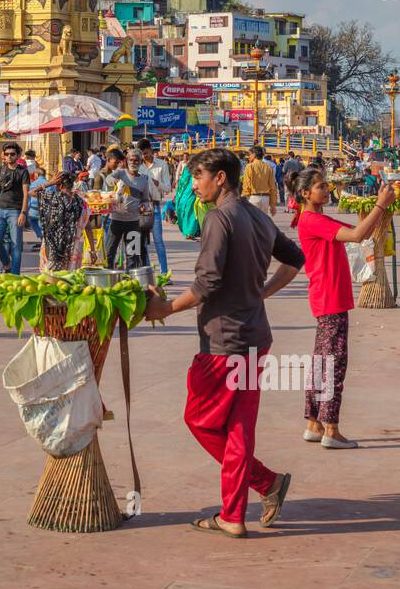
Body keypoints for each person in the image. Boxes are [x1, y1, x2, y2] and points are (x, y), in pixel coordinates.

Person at [145, 148, 305, 537]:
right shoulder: (258, 216)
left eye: (198, 176)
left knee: (199, 419)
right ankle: (235, 513)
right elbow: (295, 257)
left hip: (224, 341)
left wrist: (163, 308)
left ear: (220, 179)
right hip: (255, 335)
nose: (193, 183)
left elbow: (207, 283)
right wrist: (262, 293)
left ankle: (263, 483)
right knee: (238, 428)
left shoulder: (220, 217)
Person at [289, 167, 395, 449]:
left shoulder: (316, 219)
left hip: (326, 297)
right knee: (334, 363)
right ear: (305, 193)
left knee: (322, 361)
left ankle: (314, 422)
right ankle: (331, 428)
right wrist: (380, 205)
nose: (327, 190)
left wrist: (379, 209)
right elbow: (359, 235)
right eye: (321, 187)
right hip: (330, 298)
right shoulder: (312, 220)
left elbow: (357, 231)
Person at [107, 147, 152, 272]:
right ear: (127, 161)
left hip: (133, 222)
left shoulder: (144, 179)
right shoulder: (120, 173)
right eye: (131, 160)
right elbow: (108, 178)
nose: (133, 162)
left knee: (132, 255)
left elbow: (145, 199)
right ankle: (108, 278)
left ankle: (129, 280)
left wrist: (144, 205)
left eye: (136, 160)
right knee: (110, 252)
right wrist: (114, 181)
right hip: (116, 220)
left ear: (141, 162)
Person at [39, 172, 95, 270]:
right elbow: (88, 228)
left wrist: (50, 183)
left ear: (59, 185)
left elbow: (32, 192)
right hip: (72, 249)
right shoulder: (81, 202)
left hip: (52, 246)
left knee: (50, 280)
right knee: (68, 280)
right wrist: (93, 251)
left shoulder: (52, 198)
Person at [0, 142, 29, 276]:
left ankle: (15, 276)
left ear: (18, 155)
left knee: (16, 245)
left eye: (12, 154)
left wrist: (23, 213)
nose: (9, 157)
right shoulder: (1, 169)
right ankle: (7, 263)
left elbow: (26, 194)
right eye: (6, 154)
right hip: (0, 209)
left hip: (15, 211)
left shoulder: (23, 172)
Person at [138, 139, 172, 276]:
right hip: (141, 208)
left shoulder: (162, 165)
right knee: (143, 243)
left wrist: (158, 183)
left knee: (158, 241)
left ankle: (164, 272)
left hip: (155, 206)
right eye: (142, 154)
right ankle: (147, 273)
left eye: (146, 153)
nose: (144, 156)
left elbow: (168, 188)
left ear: (151, 150)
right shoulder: (138, 166)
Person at [241, 144, 277, 217]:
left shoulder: (249, 166)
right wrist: (273, 205)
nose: (249, 156)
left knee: (253, 224)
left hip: (253, 198)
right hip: (265, 199)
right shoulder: (268, 167)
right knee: (263, 223)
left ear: (254, 155)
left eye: (249, 154)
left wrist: (243, 198)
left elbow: (246, 185)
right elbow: (272, 186)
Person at [27, 166, 48, 249]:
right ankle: (44, 240)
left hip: (34, 208)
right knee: (42, 224)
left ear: (37, 174)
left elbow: (29, 196)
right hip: (46, 207)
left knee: (34, 222)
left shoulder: (33, 184)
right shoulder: (48, 182)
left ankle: (42, 238)